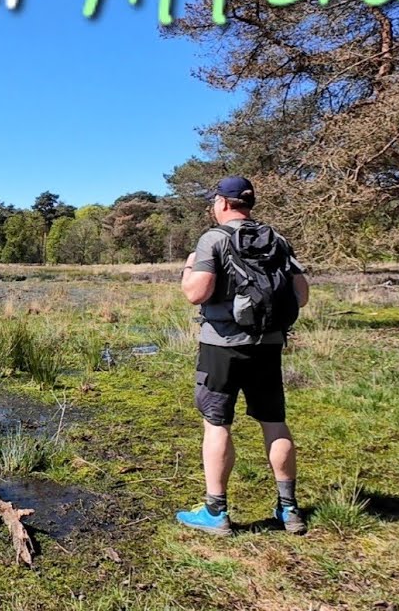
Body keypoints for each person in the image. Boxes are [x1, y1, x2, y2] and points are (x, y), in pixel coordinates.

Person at [175, 176, 309, 536]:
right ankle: (289, 510)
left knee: (217, 425)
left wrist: (189, 267)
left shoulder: (212, 240)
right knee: (274, 422)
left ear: (221, 203)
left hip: (221, 347)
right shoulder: (276, 240)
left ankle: (216, 512)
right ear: (249, 204)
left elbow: (196, 294)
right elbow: (301, 295)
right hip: (268, 344)